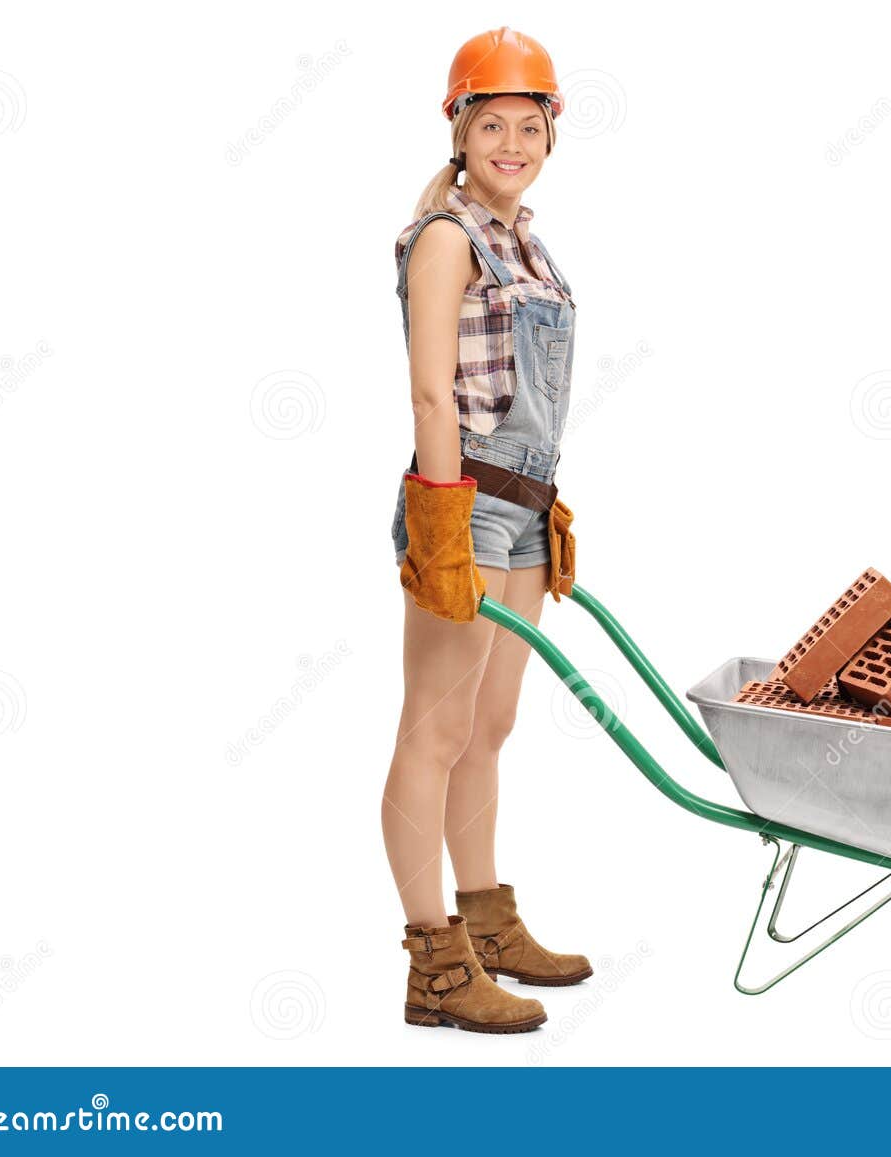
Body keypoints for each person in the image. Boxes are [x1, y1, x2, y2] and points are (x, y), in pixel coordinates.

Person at [382, 27, 589, 1035]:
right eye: (491, 122)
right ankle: (433, 961)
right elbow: (431, 390)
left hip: (522, 505)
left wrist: (546, 504)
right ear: (460, 132)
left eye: (529, 122)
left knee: (488, 724)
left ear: (552, 132)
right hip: (461, 499)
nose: (511, 140)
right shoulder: (447, 237)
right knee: (434, 724)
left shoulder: (529, 243)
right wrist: (440, 521)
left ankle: (488, 917)